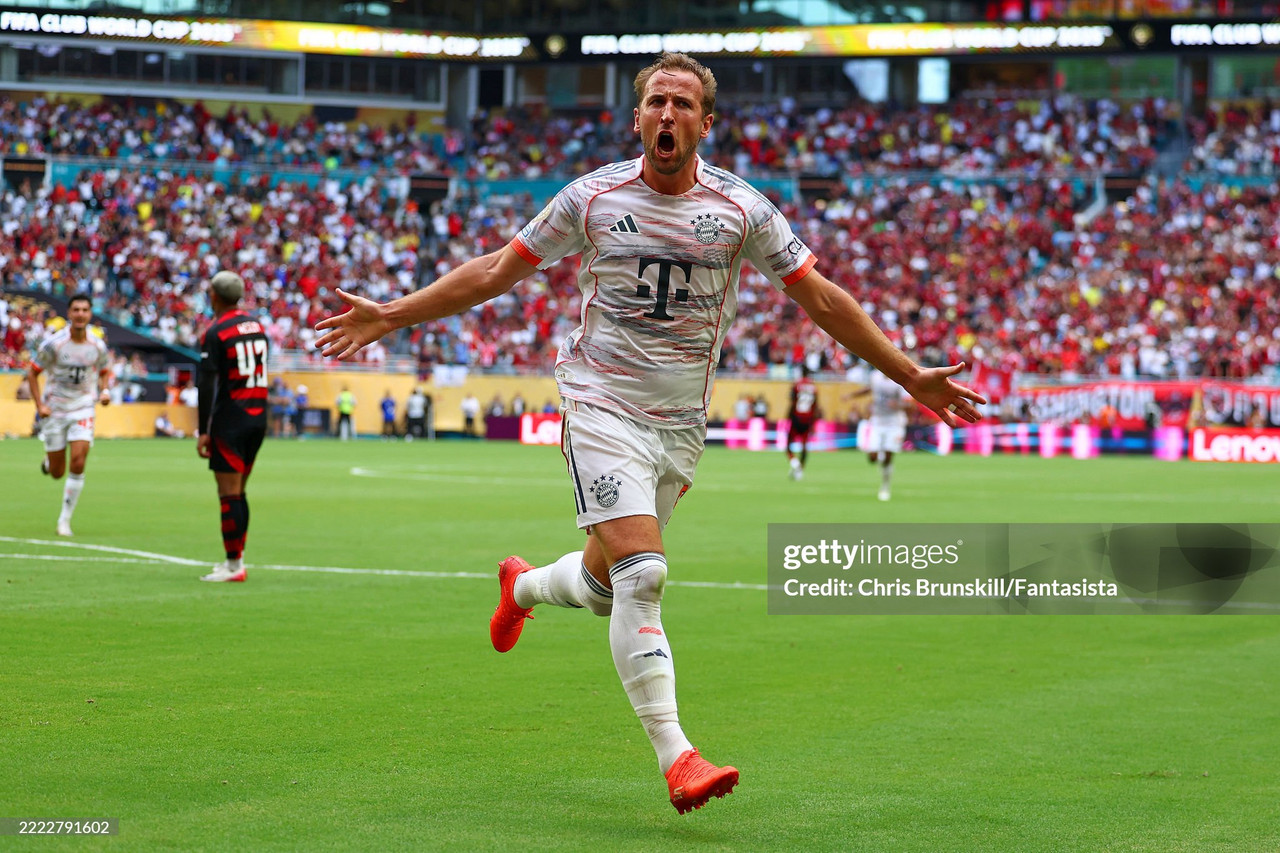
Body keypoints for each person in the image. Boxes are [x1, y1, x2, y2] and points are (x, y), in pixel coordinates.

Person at [313, 52, 985, 814]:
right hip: (601, 405)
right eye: (656, 102)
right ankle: (678, 755)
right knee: (644, 574)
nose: (667, 115)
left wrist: (908, 374)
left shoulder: (742, 211)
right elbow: (500, 270)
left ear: (706, 122)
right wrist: (393, 313)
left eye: (683, 103)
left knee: (605, 586)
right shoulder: (590, 199)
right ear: (638, 118)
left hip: (679, 425)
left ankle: (525, 584)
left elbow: (822, 299)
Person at [196, 271, 269, 582]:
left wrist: (203, 429)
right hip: (258, 416)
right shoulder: (258, 326)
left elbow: (207, 385)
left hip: (231, 418)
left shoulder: (216, 332)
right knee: (239, 492)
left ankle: (233, 565)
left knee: (229, 495)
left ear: (213, 295)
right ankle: (236, 557)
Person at [26, 293, 113, 537]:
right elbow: (32, 373)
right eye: (76, 309)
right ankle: (48, 461)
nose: (80, 314)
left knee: (78, 460)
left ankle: (64, 520)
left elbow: (105, 370)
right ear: (69, 313)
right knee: (57, 472)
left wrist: (104, 391)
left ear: (90, 314)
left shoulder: (97, 345)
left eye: (85, 310)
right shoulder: (54, 344)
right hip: (55, 409)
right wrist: (39, 406)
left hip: (83, 406)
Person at [852, 368, 915, 501]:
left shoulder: (899, 381)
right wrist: (852, 395)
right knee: (872, 457)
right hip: (877, 421)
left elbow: (910, 404)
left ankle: (885, 486)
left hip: (894, 423)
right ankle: (880, 454)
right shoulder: (875, 376)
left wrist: (897, 404)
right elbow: (869, 389)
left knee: (888, 456)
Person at [785, 364, 820, 480]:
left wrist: (788, 417)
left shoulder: (796, 385)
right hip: (808, 418)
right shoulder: (813, 387)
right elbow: (815, 407)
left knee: (788, 445)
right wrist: (814, 423)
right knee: (804, 446)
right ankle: (800, 470)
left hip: (797, 417)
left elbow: (792, 402)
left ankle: (795, 464)